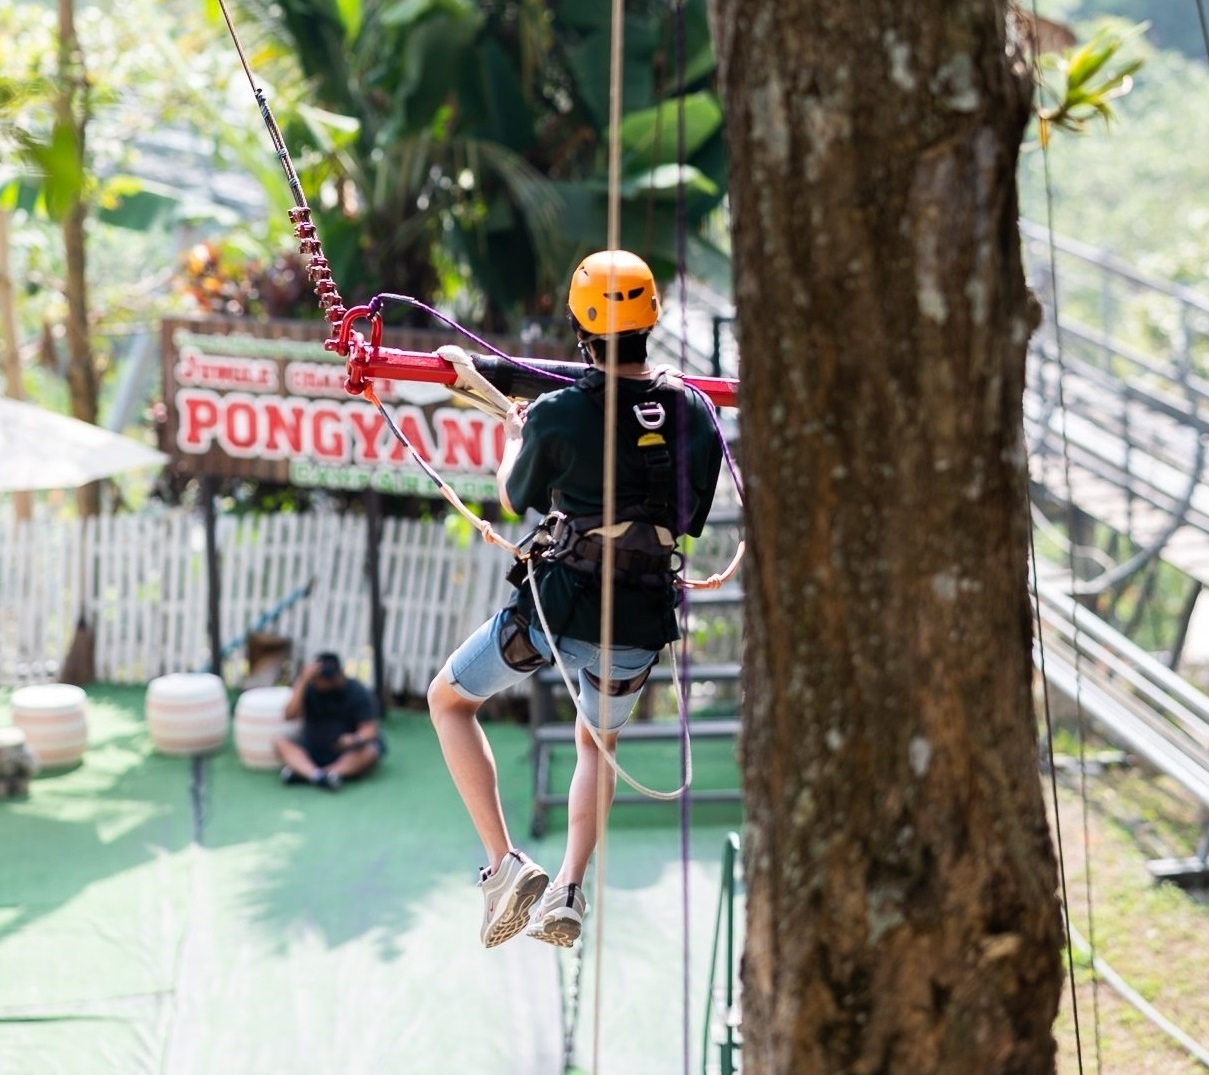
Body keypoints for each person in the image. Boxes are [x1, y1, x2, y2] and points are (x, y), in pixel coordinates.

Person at [427, 249, 724, 948]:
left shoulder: (558, 413)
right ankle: (567, 886)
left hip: (557, 607)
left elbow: (511, 496)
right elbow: (686, 514)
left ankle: (505, 865)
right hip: (642, 618)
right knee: (598, 742)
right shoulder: (696, 413)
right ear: (651, 319)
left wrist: (513, 437)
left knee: (449, 699)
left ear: (579, 325)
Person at [275, 652, 384, 791]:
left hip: (344, 751)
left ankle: (319, 773)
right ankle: (318, 776)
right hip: (313, 745)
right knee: (280, 742)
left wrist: (354, 739)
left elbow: (370, 730)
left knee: (370, 751)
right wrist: (302, 680)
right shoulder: (308, 687)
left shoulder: (357, 691)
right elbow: (289, 715)